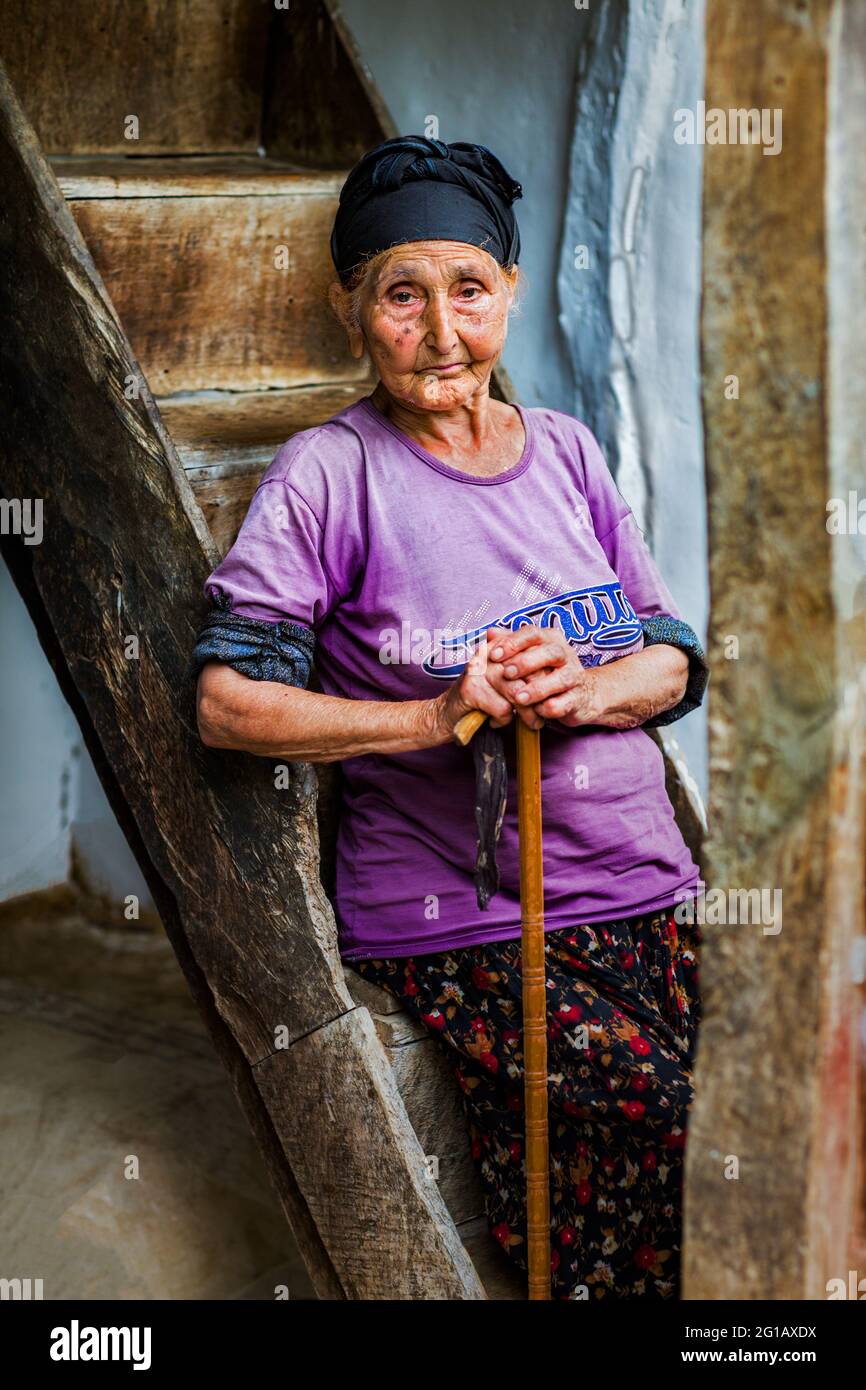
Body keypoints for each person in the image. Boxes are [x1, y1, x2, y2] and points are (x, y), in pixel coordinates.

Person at [191, 135, 708, 1300]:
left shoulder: (567, 453)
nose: (440, 332)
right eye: (400, 295)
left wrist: (582, 690)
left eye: (468, 292)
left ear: (508, 295)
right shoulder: (328, 474)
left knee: (675, 1193)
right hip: (467, 927)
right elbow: (227, 703)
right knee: (678, 1130)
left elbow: (670, 656)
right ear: (350, 308)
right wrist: (432, 714)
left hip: (646, 893)